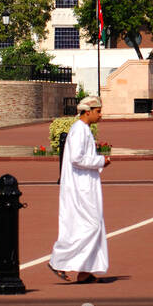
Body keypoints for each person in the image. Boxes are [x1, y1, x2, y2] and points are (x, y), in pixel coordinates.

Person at [48, 96, 110, 284]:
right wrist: (101, 161)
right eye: (98, 112)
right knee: (91, 225)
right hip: (79, 188)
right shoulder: (79, 130)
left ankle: (85, 271)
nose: (100, 115)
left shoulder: (84, 130)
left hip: (86, 185)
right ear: (87, 111)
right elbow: (76, 158)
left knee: (89, 225)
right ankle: (59, 260)